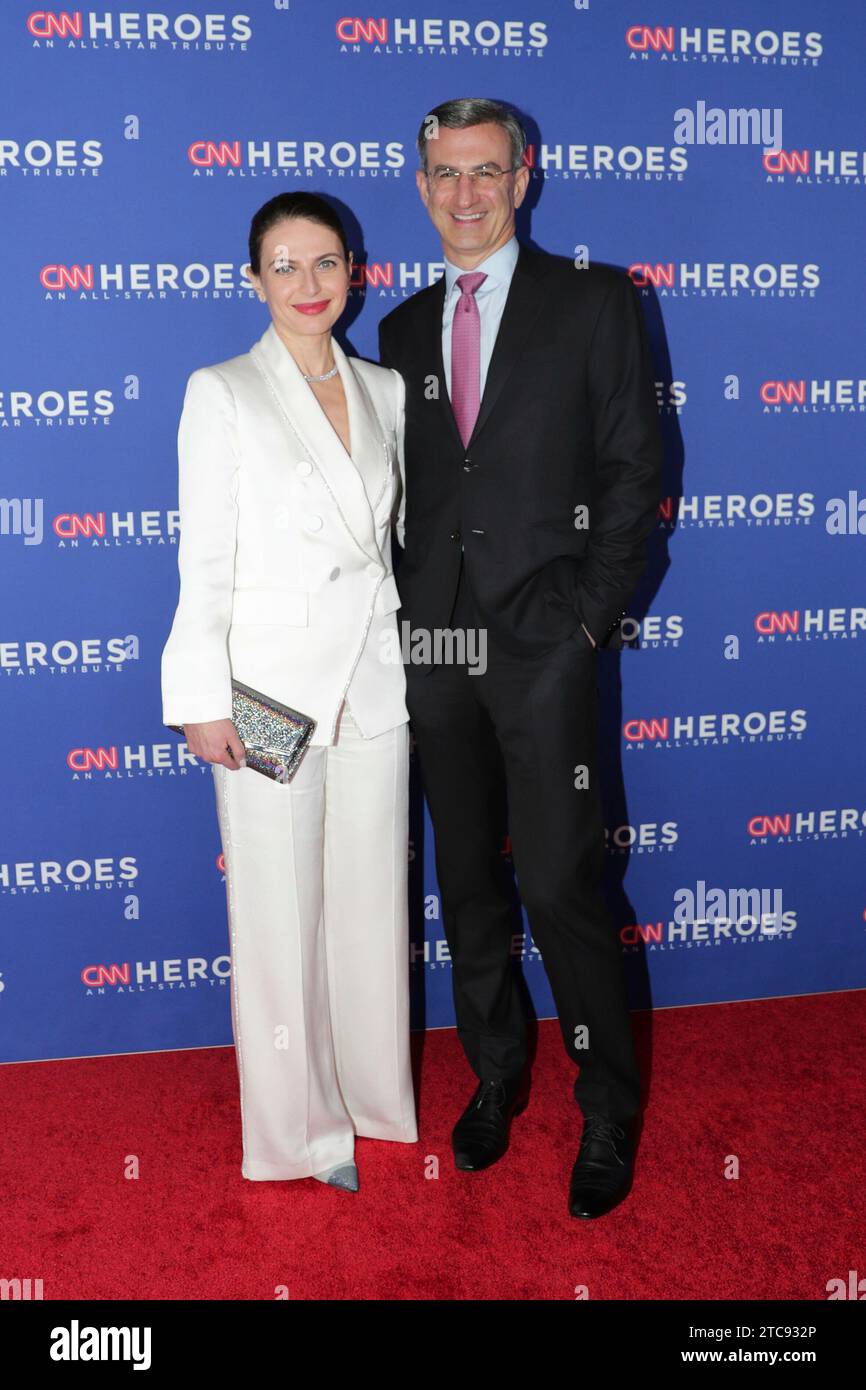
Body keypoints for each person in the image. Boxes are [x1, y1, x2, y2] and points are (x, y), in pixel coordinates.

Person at [378, 98, 663, 1218]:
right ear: (420, 184)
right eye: (444, 175)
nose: (464, 195)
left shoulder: (592, 302)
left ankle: (606, 1106)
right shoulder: (400, 330)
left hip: (544, 642)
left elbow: (633, 470)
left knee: (557, 883)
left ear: (523, 175)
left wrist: (587, 623)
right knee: (466, 883)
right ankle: (495, 1073)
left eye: (485, 172)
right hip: (435, 641)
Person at [161, 192, 417, 1191]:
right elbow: (204, 557)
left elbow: (390, 552)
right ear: (253, 278)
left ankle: (368, 1101)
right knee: (275, 912)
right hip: (266, 690)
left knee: (367, 905)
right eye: (284, 265)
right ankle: (295, 1135)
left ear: (354, 271)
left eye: (325, 263)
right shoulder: (220, 390)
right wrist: (198, 694)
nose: (307, 285)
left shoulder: (389, 391)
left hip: (374, 686)